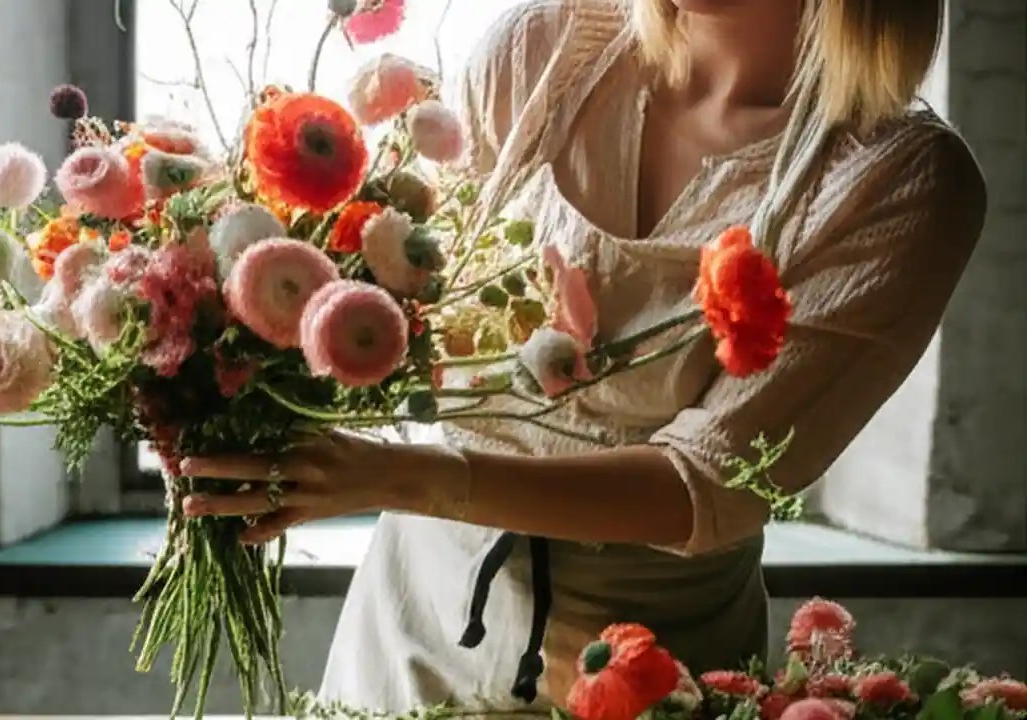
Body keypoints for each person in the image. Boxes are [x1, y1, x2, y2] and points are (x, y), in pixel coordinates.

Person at [181, 0, 987, 711]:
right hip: (414, 618)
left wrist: (397, 475)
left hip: (644, 663)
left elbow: (707, 487)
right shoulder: (542, 50)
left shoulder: (898, 177)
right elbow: (404, 304)